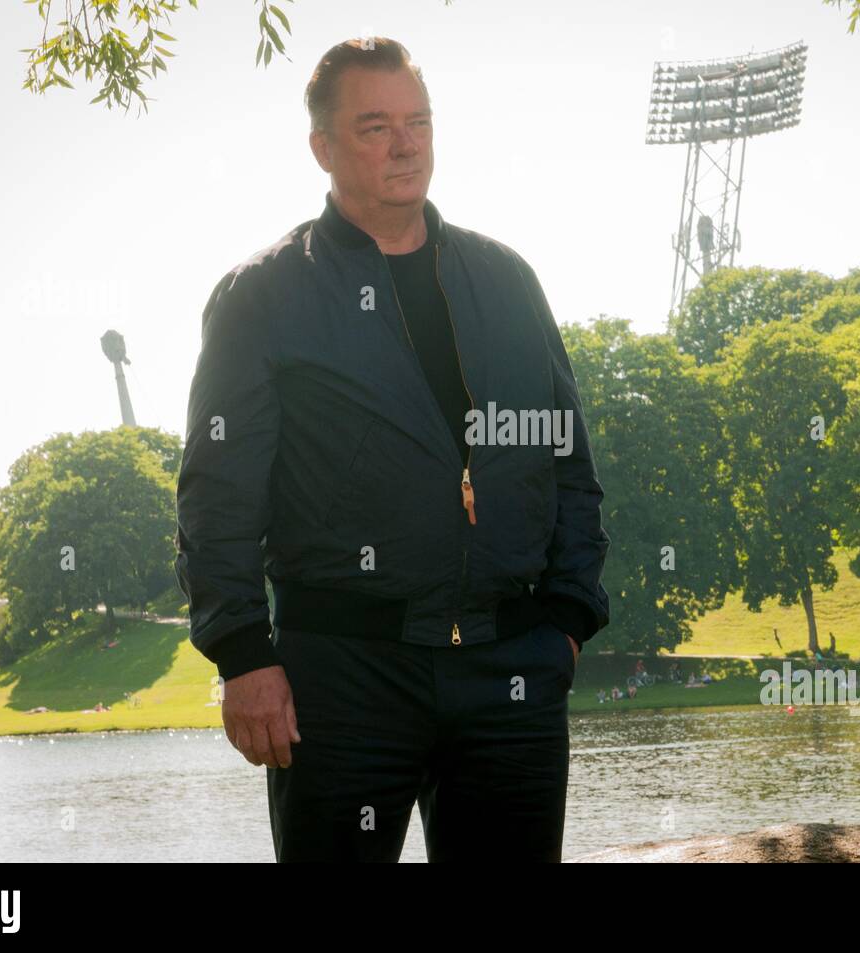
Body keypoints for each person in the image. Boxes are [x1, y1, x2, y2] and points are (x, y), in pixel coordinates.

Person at [174, 38, 610, 863]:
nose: (406, 145)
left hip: (511, 671)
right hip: (341, 677)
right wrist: (241, 654)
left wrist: (567, 620)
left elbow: (569, 463)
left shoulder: (507, 279)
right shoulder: (263, 295)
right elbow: (217, 491)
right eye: (376, 127)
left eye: (419, 122)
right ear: (323, 148)